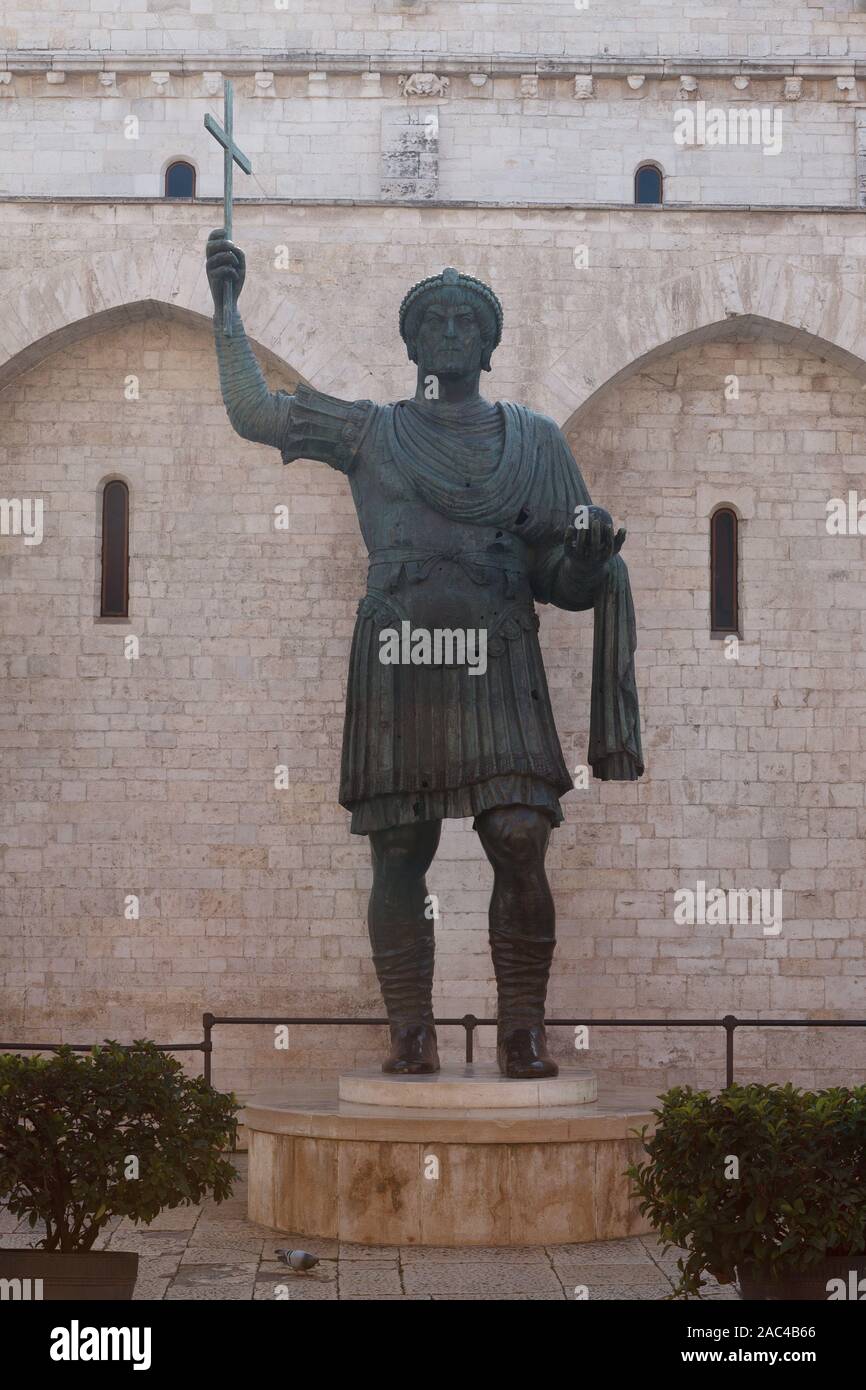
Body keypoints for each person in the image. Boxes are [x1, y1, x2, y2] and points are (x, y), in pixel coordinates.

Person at [205, 230, 643, 1078]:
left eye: (465, 319)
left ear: (487, 342)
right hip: (402, 653)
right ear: (411, 343)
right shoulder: (371, 431)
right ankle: (409, 1029)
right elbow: (256, 413)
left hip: (498, 651)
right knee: (400, 846)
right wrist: (228, 312)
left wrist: (588, 554)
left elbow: (562, 581)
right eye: (433, 319)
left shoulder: (536, 441)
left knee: (519, 835)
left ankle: (522, 1028)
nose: (450, 329)